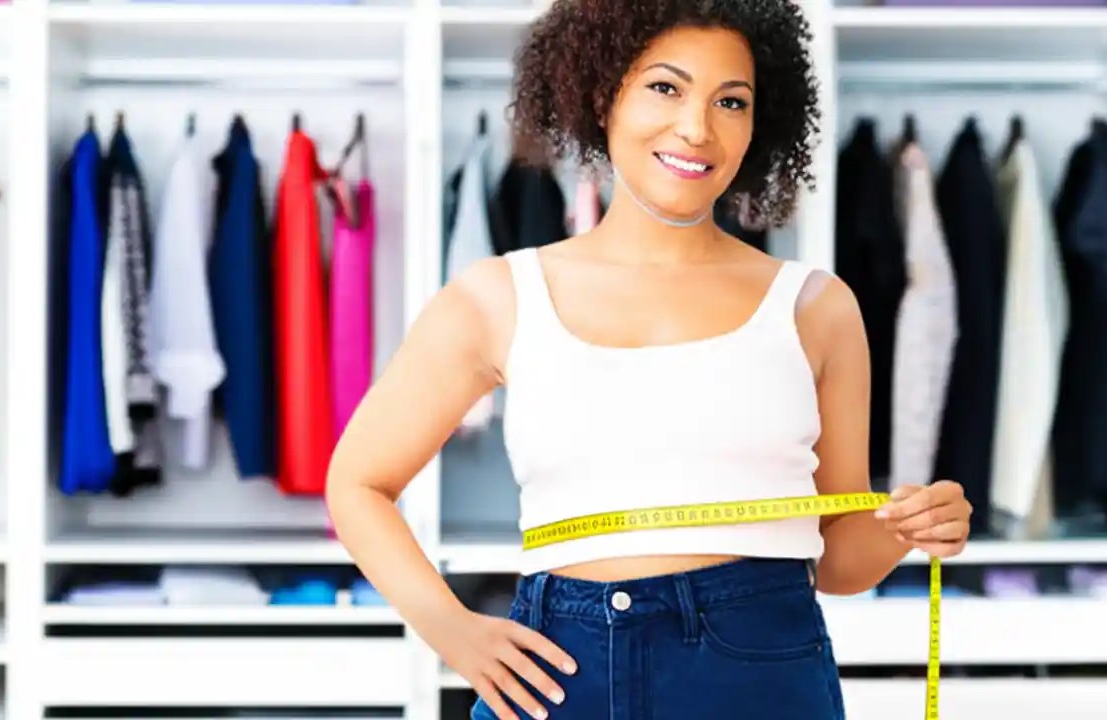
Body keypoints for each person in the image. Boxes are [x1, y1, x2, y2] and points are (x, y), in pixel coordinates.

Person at [327, 2, 973, 718]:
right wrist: (451, 630)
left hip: (758, 667)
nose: (698, 128)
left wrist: (907, 526)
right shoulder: (498, 298)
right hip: (558, 670)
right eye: (665, 87)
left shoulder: (816, 308)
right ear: (603, 94)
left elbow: (839, 560)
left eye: (731, 101)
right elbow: (358, 483)